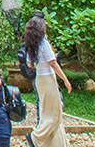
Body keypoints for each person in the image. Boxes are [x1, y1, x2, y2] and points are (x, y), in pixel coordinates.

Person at [24, 14, 72, 147]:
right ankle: (35, 137)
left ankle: (55, 143)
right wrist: (65, 80)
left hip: (40, 79)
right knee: (55, 114)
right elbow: (53, 63)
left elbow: (29, 64)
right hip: (48, 79)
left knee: (46, 112)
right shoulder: (44, 43)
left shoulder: (31, 45)